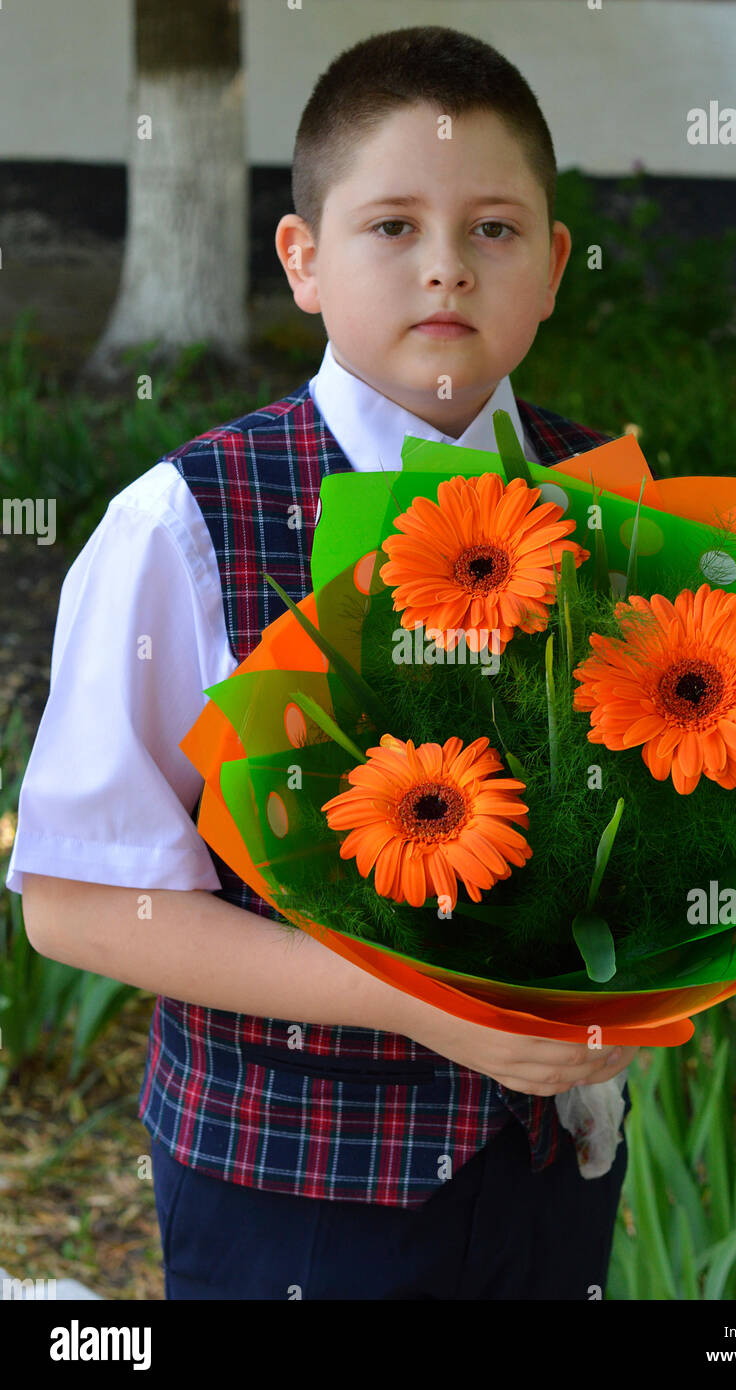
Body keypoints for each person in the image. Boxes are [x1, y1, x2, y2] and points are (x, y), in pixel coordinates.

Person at [10, 24, 644, 1300]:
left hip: (553, 1174)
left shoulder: (614, 504)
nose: (448, 271)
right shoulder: (185, 523)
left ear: (556, 266)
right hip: (292, 1197)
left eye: (496, 231)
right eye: (393, 226)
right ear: (302, 257)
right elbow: (77, 902)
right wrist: (423, 1003)